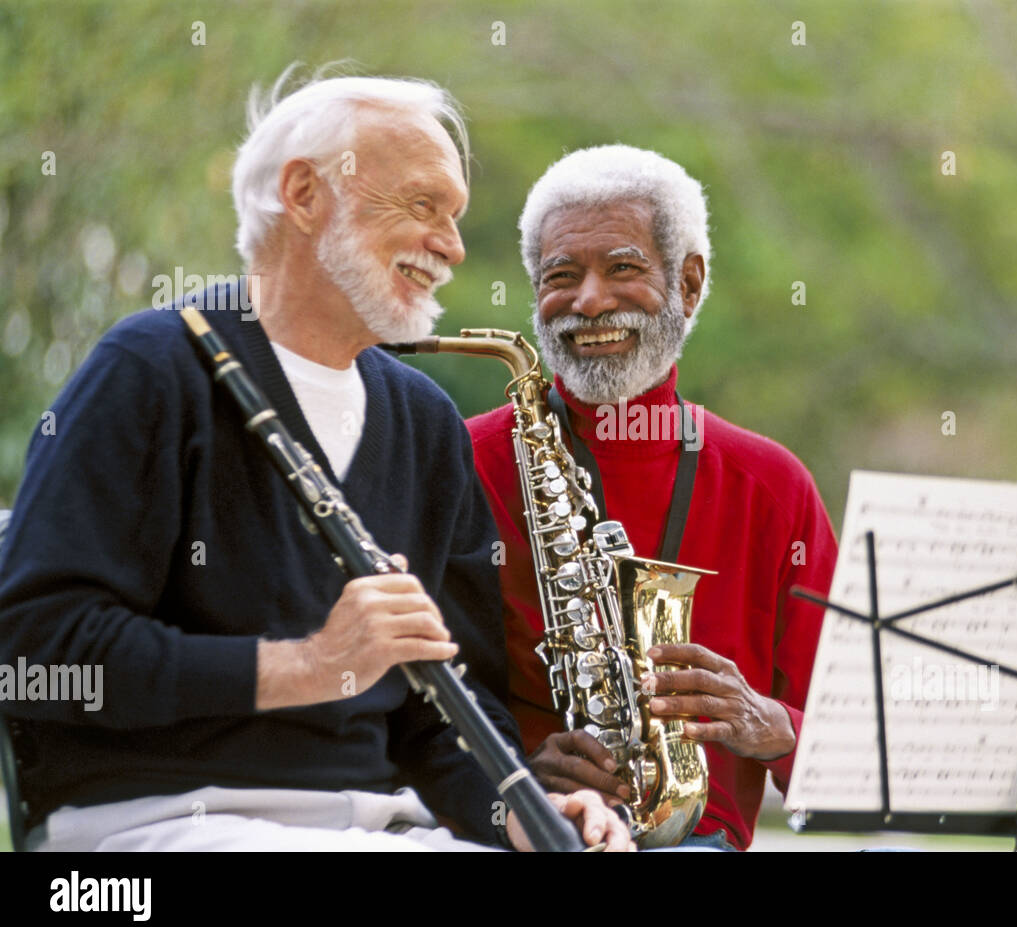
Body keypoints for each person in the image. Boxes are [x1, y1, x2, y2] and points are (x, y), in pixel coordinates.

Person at [0, 70, 629, 852]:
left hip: (382, 828)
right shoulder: (149, 368)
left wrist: (521, 809)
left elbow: (444, 715)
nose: (454, 246)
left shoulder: (426, 422)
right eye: (422, 205)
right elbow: (32, 649)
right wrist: (306, 664)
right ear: (303, 195)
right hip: (161, 827)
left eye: (457, 217)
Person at [466, 145, 838, 850]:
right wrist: (509, 772)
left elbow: (859, 760)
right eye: (561, 277)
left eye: (623, 267)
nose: (589, 301)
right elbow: (404, 711)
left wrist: (772, 725)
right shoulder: (460, 460)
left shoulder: (773, 484)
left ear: (690, 284)